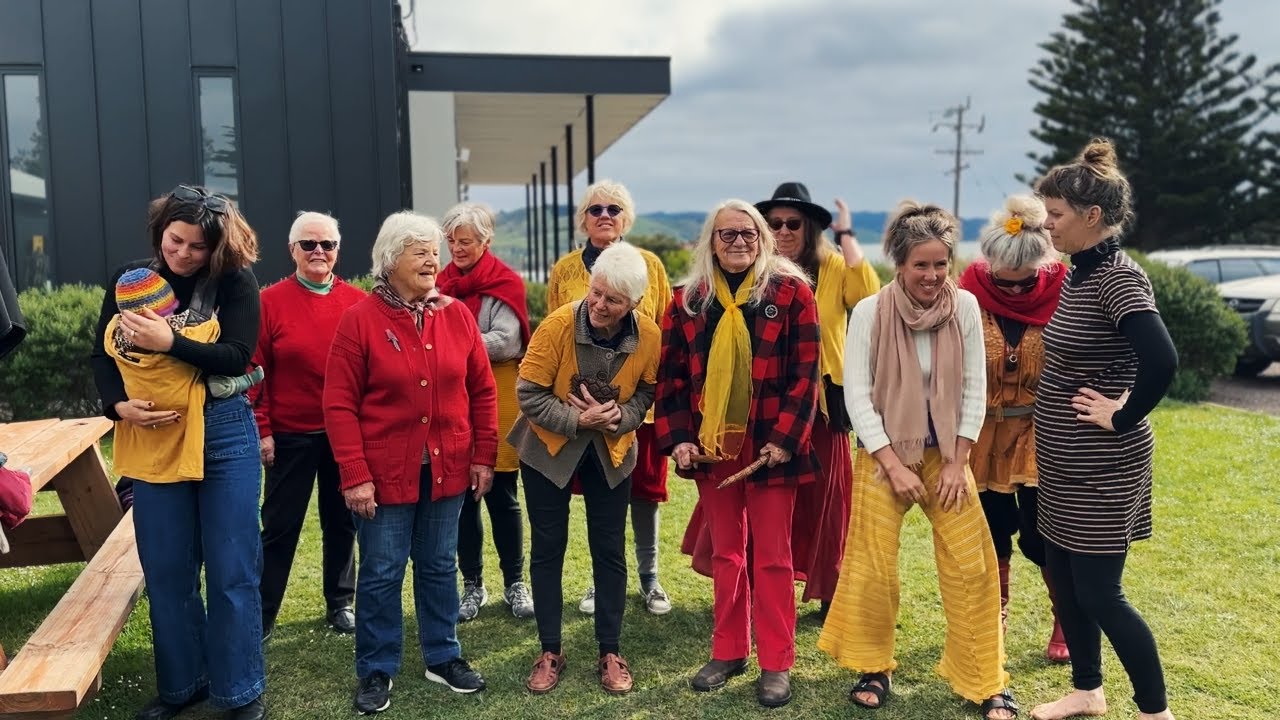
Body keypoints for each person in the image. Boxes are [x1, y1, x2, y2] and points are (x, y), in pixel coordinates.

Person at [817, 201, 1019, 720]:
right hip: (885, 455)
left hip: (949, 455)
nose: (931, 276)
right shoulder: (869, 312)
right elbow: (857, 394)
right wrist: (892, 464)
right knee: (873, 565)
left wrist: (958, 463)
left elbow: (977, 387)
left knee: (973, 565)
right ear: (899, 265)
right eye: (920, 265)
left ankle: (987, 681)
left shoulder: (967, 308)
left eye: (940, 264)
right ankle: (873, 665)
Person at [89, 184, 267, 720]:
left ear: (217, 247)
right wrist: (117, 407)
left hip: (224, 436)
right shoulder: (130, 282)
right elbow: (101, 354)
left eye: (197, 247)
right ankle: (183, 686)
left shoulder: (234, 281)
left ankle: (240, 690)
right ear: (159, 232)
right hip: (155, 435)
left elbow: (236, 357)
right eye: (176, 240)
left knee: (233, 568)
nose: (184, 254)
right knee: (167, 569)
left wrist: (171, 344)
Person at [324, 211, 496, 715]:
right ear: (389, 258)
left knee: (441, 563)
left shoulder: (457, 314)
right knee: (381, 570)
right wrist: (355, 476)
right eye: (418, 250)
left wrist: (484, 454)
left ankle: (442, 657)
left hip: (449, 466)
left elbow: (482, 390)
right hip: (382, 473)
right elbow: (338, 405)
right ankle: (376, 667)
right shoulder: (359, 320)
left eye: (434, 251)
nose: (431, 258)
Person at [1028, 139, 1178, 720]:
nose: (1047, 224)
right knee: (1065, 584)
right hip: (1064, 464)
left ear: (1092, 217)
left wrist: (1120, 412)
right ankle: (1087, 691)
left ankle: (1155, 712)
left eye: (1057, 215)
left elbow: (1161, 360)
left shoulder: (1117, 278)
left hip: (1104, 464)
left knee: (1099, 594)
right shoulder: (1079, 273)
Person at [655, 199, 820, 708]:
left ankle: (776, 662)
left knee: (773, 557)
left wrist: (784, 440)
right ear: (711, 241)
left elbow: (805, 377)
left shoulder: (792, 294)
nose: (739, 243)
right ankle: (729, 650)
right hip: (712, 447)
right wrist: (679, 438)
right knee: (727, 553)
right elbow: (671, 380)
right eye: (727, 235)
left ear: (763, 239)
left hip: (772, 444)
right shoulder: (687, 300)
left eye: (748, 234)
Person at [510, 242, 660, 697]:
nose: (598, 305)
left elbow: (646, 392)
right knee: (548, 547)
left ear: (633, 304)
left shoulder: (649, 335)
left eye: (612, 300)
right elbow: (529, 392)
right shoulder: (557, 325)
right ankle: (550, 650)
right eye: (595, 293)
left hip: (611, 452)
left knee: (610, 548)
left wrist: (619, 418)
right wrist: (579, 420)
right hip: (546, 448)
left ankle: (609, 651)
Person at [546, 180, 674, 616]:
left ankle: (650, 577)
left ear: (626, 218)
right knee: (598, 496)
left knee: (645, 492)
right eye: (596, 208)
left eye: (614, 209)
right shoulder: (565, 270)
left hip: (638, 407)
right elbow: (554, 332)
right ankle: (599, 581)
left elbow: (663, 329)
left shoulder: (650, 265)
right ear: (583, 217)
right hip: (579, 409)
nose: (605, 215)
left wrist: (634, 404)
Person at [957, 195, 1070, 662]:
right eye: (1005, 280)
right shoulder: (964, 292)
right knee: (991, 529)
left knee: (1044, 533)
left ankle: (1065, 615)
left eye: (1025, 284)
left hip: (1040, 431)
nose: (1016, 291)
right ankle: (995, 613)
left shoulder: (1066, 290)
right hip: (980, 433)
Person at [251, 211, 365, 641]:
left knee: (342, 522)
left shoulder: (358, 302)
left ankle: (340, 602)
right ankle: (263, 612)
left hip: (344, 436)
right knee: (280, 526)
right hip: (290, 435)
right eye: (309, 244)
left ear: (338, 249)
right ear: (292, 250)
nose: (319, 252)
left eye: (328, 245)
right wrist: (263, 429)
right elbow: (254, 370)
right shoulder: (270, 302)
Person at [437, 201, 535, 622]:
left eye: (467, 241)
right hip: (451, 399)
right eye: (453, 241)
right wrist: (473, 340)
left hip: (499, 396)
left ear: (486, 241)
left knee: (503, 495)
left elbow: (509, 342)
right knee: (462, 499)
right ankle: (472, 585)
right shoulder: (438, 281)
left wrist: (454, 341)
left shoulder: (505, 282)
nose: (458, 249)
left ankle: (515, 582)